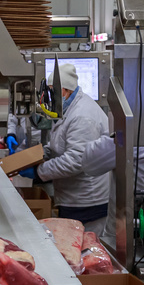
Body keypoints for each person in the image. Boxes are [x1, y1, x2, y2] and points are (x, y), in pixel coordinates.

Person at [33, 63, 110, 234]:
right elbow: (60, 143)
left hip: (87, 200)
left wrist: (39, 172)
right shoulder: (69, 108)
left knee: (83, 252)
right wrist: (40, 154)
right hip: (73, 196)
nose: (48, 97)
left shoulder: (82, 115)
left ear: (64, 91)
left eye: (51, 92)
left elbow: (75, 161)